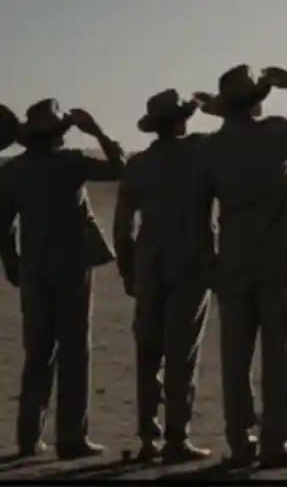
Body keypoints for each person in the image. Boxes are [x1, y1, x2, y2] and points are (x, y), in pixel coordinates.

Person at [191, 64, 287, 469]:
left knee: (235, 354)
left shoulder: (208, 149)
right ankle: (275, 440)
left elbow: (199, 212)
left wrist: (208, 261)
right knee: (279, 348)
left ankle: (240, 440)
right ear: (257, 102)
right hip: (275, 253)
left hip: (232, 254)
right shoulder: (274, 134)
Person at [0, 99, 125, 460]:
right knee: (74, 352)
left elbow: (3, 227)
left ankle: (28, 437)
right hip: (70, 265)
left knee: (37, 353)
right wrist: (97, 131)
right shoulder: (71, 164)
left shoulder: (12, 171)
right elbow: (120, 167)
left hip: (33, 267)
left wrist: (11, 263)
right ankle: (71, 437)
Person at [113, 89, 215, 463]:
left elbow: (122, 225)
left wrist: (127, 268)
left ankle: (147, 436)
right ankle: (177, 437)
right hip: (189, 260)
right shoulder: (200, 152)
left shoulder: (139, 164)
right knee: (181, 354)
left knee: (149, 353)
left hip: (148, 261)